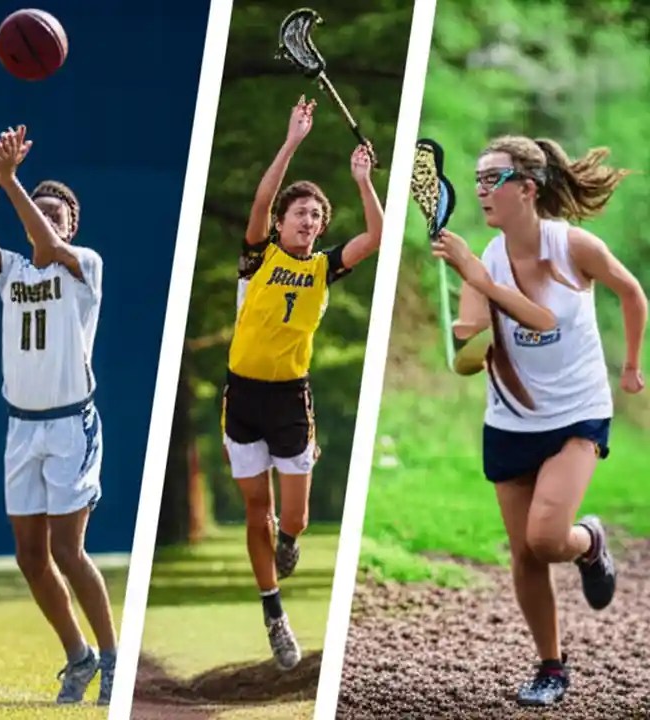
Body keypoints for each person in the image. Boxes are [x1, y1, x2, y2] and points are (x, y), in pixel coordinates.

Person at [431, 135, 645, 707]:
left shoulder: (572, 245)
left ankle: (589, 541)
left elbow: (622, 296)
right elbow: (470, 343)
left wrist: (630, 365)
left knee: (548, 539)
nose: (481, 189)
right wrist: (463, 340)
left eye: (492, 178)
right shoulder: (485, 259)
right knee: (524, 554)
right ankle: (551, 667)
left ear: (527, 188)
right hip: (510, 419)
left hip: (578, 412)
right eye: (477, 179)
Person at [0, 125, 116, 705]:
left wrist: (13, 181)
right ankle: (79, 656)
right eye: (38, 210)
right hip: (22, 426)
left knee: (69, 551)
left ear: (72, 225)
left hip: (71, 425)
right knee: (30, 556)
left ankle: (113, 657)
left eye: (56, 214)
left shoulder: (82, 265)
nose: (46, 219)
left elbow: (47, 247)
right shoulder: (13, 271)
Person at [225, 96, 382, 670]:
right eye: (300, 213)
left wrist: (363, 181)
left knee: (293, 519)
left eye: (317, 215)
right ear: (281, 222)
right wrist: (292, 140)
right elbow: (261, 199)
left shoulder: (323, 267)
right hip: (243, 396)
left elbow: (377, 237)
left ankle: (288, 541)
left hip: (291, 400)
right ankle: (274, 613)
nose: (309, 221)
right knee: (256, 509)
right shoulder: (258, 256)